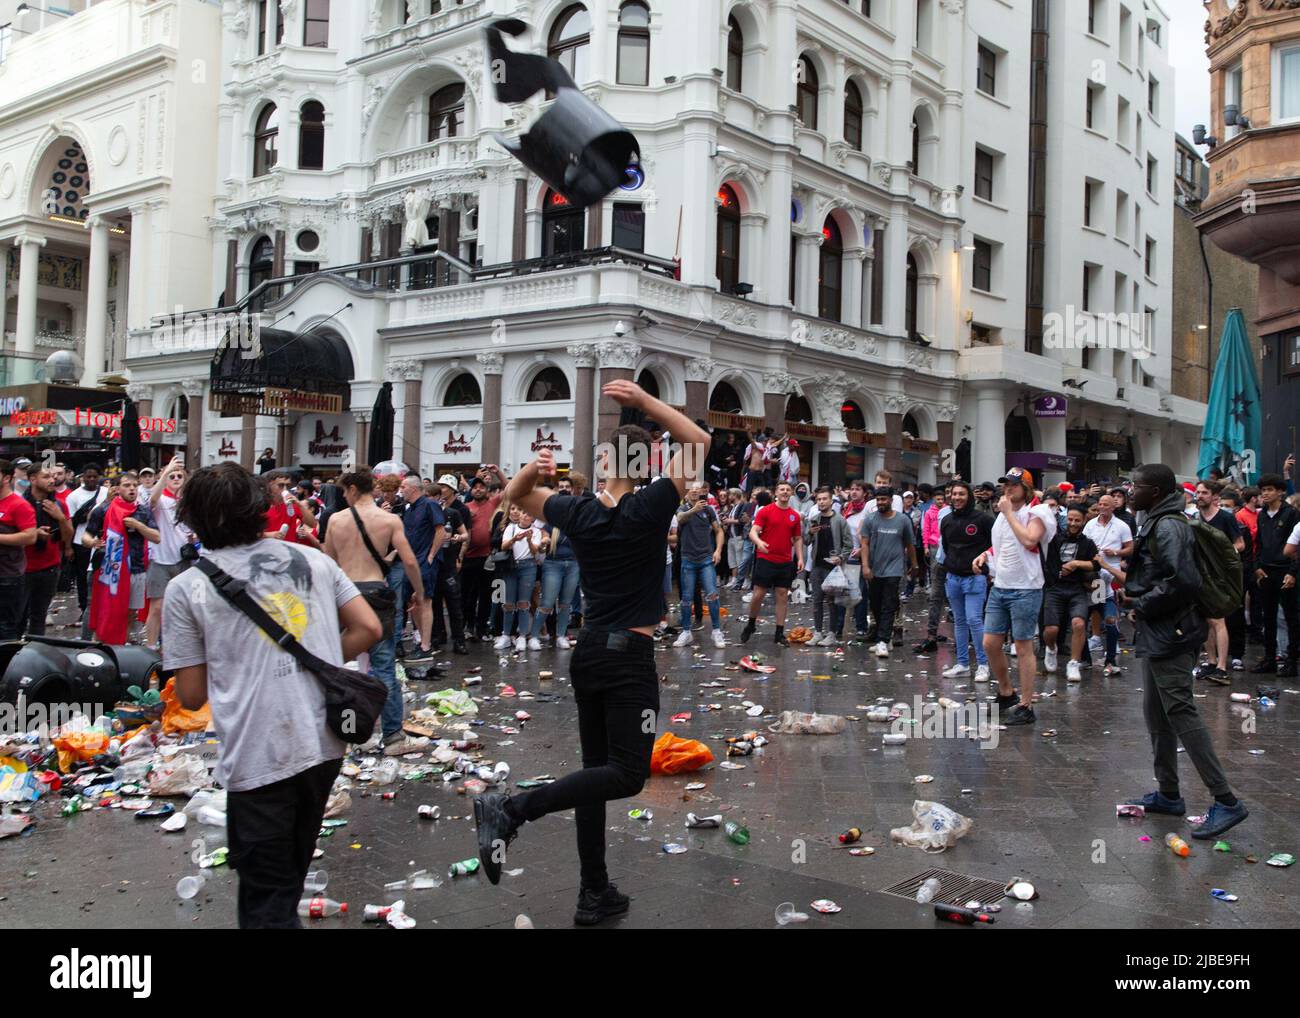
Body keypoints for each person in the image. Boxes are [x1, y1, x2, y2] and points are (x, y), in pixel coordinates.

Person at [474, 380, 709, 925]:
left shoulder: (576, 511)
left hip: (589, 654)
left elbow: (512, 496)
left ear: (601, 463)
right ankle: (511, 807)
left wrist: (538, 468)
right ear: (646, 460)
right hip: (629, 657)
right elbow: (697, 439)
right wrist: (646, 403)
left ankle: (594, 891)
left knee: (594, 776)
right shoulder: (649, 506)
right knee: (626, 775)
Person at [166, 463, 381, 927]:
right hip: (324, 743)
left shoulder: (187, 588)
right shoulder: (314, 559)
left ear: (195, 518)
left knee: (266, 898)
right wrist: (318, 660)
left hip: (258, 752)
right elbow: (369, 628)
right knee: (289, 875)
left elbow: (189, 694)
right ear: (261, 507)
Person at [1121, 463, 1248, 839]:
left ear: (1155, 491)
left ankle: (1227, 801)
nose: (1130, 491)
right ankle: (1169, 793)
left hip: (1172, 632)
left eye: (1135, 486)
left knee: (1180, 711)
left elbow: (1184, 580)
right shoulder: (1155, 519)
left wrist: (1143, 605)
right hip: (1159, 630)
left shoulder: (1169, 525)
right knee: (1156, 712)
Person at [323, 468, 426, 755]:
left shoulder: (336, 520)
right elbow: (409, 560)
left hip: (344, 594)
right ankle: (392, 736)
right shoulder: (389, 520)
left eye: (345, 491)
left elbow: (328, 563)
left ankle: (341, 732)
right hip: (376, 595)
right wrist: (419, 592)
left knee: (337, 666)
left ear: (353, 490)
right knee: (384, 667)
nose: (344, 496)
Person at [973, 467, 1056, 727]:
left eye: (1014, 485)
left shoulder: (1038, 512)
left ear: (1026, 488)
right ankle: (1007, 693)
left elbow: (1030, 540)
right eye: (1006, 484)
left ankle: (1026, 705)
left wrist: (1008, 513)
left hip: (1026, 587)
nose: (1008, 489)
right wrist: (986, 554)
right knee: (990, 643)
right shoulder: (1003, 514)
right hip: (1000, 585)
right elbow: (1004, 542)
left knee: (1022, 646)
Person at [85, 473, 159, 645]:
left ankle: (121, 649)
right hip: (111, 571)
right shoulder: (104, 510)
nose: (132, 488)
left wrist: (138, 525)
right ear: (117, 489)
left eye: (134, 485)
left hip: (136, 569)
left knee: (129, 615)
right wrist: (94, 542)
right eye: (127, 485)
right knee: (107, 612)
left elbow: (156, 537)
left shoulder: (143, 511)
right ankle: (99, 648)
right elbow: (85, 537)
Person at [1191, 480, 1244, 685]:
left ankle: (1222, 666)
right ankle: (1211, 662)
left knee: (1218, 620)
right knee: (1205, 620)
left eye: (1204, 492)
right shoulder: (1196, 519)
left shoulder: (1225, 518)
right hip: (1202, 575)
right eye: (1198, 492)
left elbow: (1240, 544)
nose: (1200, 495)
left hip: (1220, 577)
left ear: (1214, 496)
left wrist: (1221, 555)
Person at [939, 481, 993, 680]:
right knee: (960, 621)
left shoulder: (984, 519)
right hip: (953, 577)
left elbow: (994, 545)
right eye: (954, 494)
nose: (957, 498)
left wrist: (987, 568)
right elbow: (946, 547)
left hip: (975, 578)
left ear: (969, 496)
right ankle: (962, 664)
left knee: (974, 620)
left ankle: (983, 664)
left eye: (961, 494)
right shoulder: (946, 520)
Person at [741, 481, 805, 646]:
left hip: (785, 561)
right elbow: (753, 531)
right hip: (765, 558)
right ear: (776, 493)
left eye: (788, 490)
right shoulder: (766, 511)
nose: (785, 492)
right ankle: (751, 624)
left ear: (791, 494)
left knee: (782, 595)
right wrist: (759, 542)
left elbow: (797, 538)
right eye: (782, 489)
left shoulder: (795, 515)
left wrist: (800, 558)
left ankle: (779, 632)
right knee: (758, 595)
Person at [1041, 507, 1100, 683]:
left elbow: (1096, 565)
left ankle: (1074, 662)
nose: (1073, 524)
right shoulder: (1055, 540)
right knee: (1051, 629)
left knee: (1079, 623)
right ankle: (1051, 649)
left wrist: (1076, 564)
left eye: (1077, 520)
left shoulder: (1088, 543)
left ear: (1083, 521)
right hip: (1055, 588)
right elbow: (1046, 563)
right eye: (1071, 520)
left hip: (1077, 589)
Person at [859, 486, 918, 658]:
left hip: (895, 569)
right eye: (878, 500)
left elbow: (910, 545)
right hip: (875, 569)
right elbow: (864, 544)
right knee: (875, 604)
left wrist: (914, 565)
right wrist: (865, 566)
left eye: (884, 499)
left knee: (888, 604)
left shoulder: (903, 520)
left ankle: (883, 641)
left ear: (891, 500)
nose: (881, 503)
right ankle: (886, 637)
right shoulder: (870, 519)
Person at [1252, 472, 1300, 676]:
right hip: (1266, 571)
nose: (1265, 494)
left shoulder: (1291, 514)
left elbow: (1296, 548)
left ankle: (1291, 661)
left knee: (1291, 618)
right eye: (1263, 490)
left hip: (1286, 571)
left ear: (1280, 492)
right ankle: (1269, 658)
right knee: (1268, 617)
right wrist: (1257, 566)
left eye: (1270, 490)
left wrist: (1293, 572)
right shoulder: (1262, 514)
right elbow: (1259, 544)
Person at [395, 474, 445, 665]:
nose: (401, 489)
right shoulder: (409, 509)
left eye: (403, 486)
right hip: (412, 561)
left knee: (424, 601)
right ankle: (422, 641)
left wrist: (431, 556)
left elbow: (441, 531)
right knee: (413, 601)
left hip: (424, 561)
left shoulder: (430, 505)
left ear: (413, 488)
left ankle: (425, 646)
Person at [1083, 492, 1133, 677]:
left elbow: (1130, 548)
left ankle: (1110, 656)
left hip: (1112, 574)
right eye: (1100, 504)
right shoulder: (1090, 524)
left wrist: (1116, 552)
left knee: (1110, 616)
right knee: (1089, 613)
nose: (1102, 507)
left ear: (1114, 507)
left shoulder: (1122, 526)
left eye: (1106, 504)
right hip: (1093, 575)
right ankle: (1086, 656)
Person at [146, 458, 194, 650]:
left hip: (183, 559)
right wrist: (166, 472)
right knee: (157, 607)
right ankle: (150, 647)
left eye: (179, 476)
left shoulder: (186, 502)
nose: (175, 478)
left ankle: (175, 645)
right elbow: (152, 499)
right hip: (161, 559)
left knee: (181, 607)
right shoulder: (161, 499)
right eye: (172, 476)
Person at [673, 481, 727, 649]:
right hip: (688, 559)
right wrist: (693, 510)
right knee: (686, 599)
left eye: (698, 489)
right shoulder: (682, 509)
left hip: (705, 559)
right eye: (692, 489)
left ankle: (717, 631)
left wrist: (718, 550)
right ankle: (686, 631)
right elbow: (680, 519)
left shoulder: (709, 510)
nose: (695, 491)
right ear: (687, 493)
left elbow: (719, 531)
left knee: (712, 594)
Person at [21, 465, 73, 638]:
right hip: (22, 569)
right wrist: (34, 533)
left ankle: (35, 654)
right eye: (46, 477)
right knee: (17, 618)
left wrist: (60, 518)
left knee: (39, 618)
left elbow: (67, 536)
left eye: (52, 476)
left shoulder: (59, 504)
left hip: (49, 568)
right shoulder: (20, 503)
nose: (52, 480)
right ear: (32, 479)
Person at [805, 486, 854, 646]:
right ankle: (818, 632)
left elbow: (848, 544)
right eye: (819, 499)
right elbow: (805, 541)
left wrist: (841, 557)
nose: (821, 502)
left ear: (831, 501)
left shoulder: (840, 520)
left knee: (832, 601)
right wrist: (810, 533)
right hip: (817, 565)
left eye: (824, 499)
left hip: (833, 567)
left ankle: (832, 633)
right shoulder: (814, 519)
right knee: (817, 600)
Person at [460, 468, 505, 641]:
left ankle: (481, 628)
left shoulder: (493, 504)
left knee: (486, 595)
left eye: (481, 487)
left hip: (487, 558)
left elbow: (508, 488)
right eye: (475, 487)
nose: (478, 489)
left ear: (487, 490)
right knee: (468, 596)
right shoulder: (465, 508)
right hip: (469, 557)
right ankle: (468, 626)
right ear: (471, 491)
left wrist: (499, 472)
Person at [430, 475, 470, 654]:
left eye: (445, 487)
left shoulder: (453, 513)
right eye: (439, 488)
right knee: (435, 603)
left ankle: (459, 639)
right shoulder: (430, 512)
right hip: (433, 564)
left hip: (448, 563)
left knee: (454, 603)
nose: (441, 491)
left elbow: (465, 535)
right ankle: (438, 636)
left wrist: (456, 538)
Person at [0, 459, 39, 640]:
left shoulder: (19, 505)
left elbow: (30, 536)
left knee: (6, 628)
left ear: (7, 478)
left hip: (8, 576)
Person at [66, 463, 109, 623]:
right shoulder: (73, 496)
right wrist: (68, 546)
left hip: (102, 541)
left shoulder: (106, 493)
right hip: (80, 542)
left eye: (94, 476)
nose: (91, 479)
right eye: (88, 476)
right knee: (83, 577)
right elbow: (70, 522)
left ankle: (102, 609)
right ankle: (85, 609)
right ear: (82, 477)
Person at [498, 507, 544, 651]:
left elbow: (535, 551)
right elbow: (503, 546)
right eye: (524, 513)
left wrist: (529, 540)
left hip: (528, 566)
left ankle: (522, 636)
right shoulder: (510, 528)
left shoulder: (536, 531)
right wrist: (514, 539)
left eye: (529, 514)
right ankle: (506, 635)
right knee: (508, 603)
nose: (525, 516)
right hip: (511, 566)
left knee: (524, 603)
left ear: (532, 518)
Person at [263, 470, 318, 545]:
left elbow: (313, 524)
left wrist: (299, 504)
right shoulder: (260, 506)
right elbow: (248, 533)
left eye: (288, 486)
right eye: (281, 485)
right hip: (266, 550)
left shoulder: (292, 504)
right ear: (269, 486)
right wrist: (268, 535)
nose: (285, 489)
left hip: (288, 551)